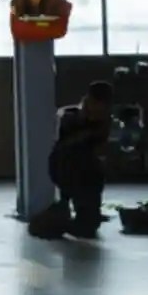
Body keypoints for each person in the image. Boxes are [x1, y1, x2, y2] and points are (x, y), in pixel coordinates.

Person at [49, 81, 113, 238]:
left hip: (87, 171)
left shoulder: (102, 121)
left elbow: (99, 148)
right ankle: (67, 217)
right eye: (97, 103)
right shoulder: (69, 116)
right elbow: (64, 148)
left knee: (88, 225)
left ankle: (82, 217)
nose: (100, 108)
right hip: (68, 167)